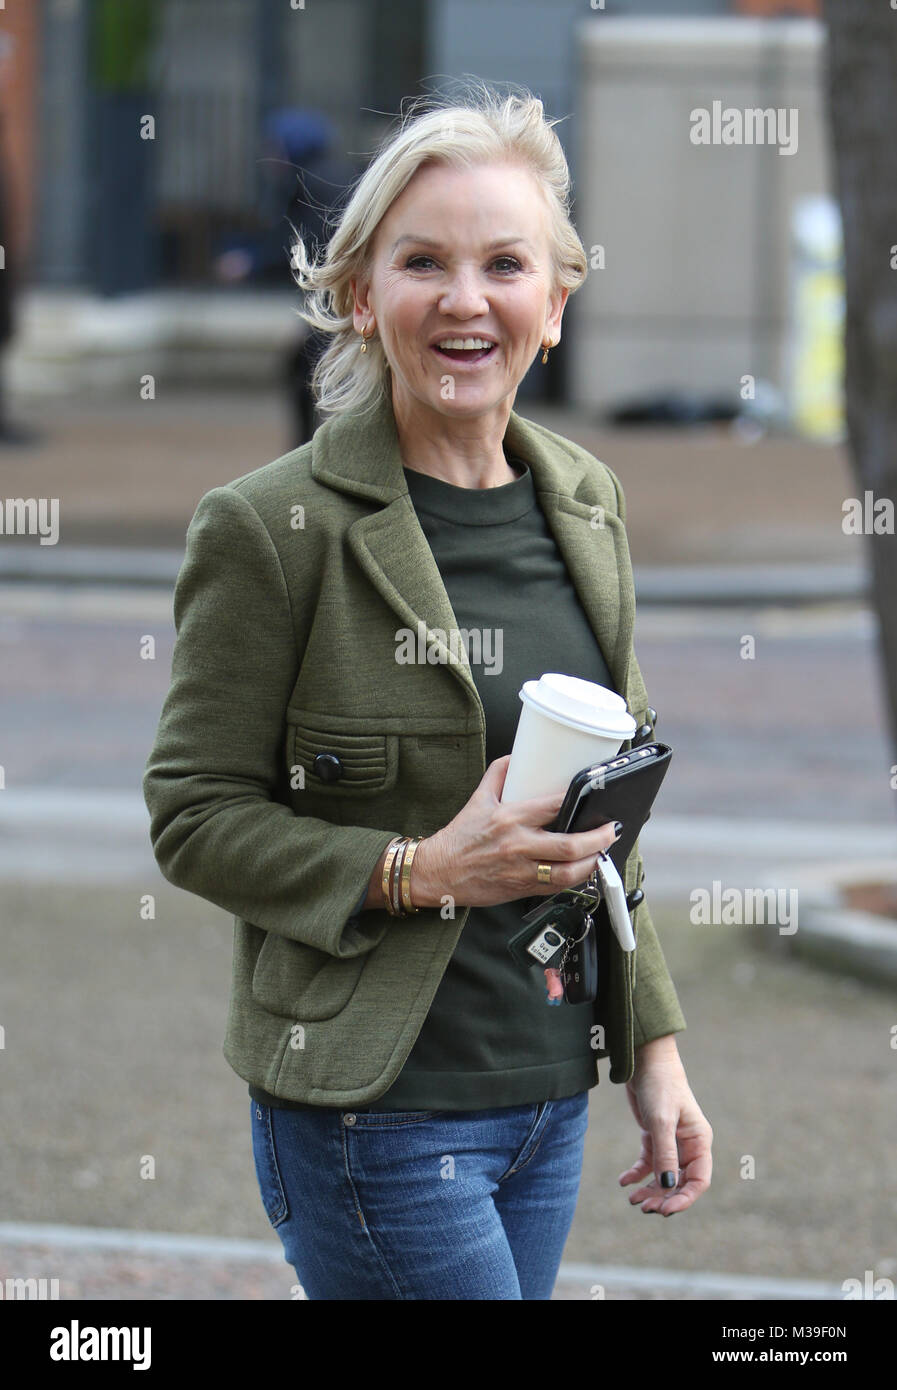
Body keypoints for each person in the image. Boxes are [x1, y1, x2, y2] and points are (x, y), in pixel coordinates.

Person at [143, 83, 712, 1301]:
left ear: (554, 305)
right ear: (360, 297)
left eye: (505, 263)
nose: (466, 299)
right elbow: (193, 815)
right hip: (373, 1114)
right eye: (422, 263)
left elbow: (614, 821)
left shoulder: (588, 505)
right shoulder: (269, 528)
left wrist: (652, 1048)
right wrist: (416, 869)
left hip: (548, 1096)